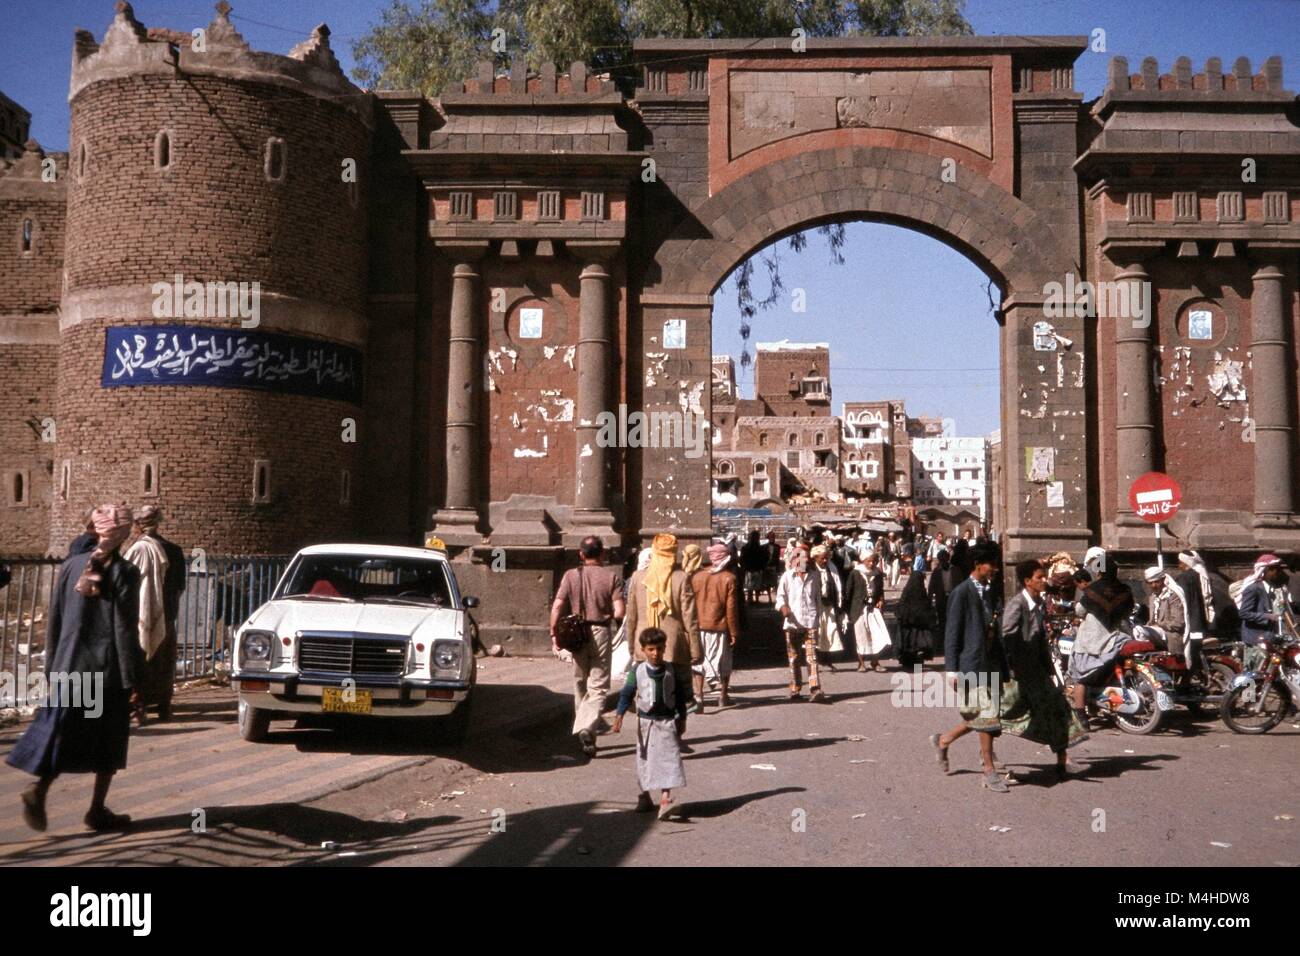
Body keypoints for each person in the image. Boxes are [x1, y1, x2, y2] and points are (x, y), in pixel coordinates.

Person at [7, 504, 143, 832]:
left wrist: (55, 665)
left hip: (70, 666)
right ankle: (96, 810)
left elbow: (54, 618)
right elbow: (123, 630)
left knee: (67, 731)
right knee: (108, 740)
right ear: (123, 534)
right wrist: (132, 681)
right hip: (105, 671)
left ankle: (40, 787)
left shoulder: (70, 566)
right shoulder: (123, 572)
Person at [998, 560, 1088, 781]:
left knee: (1058, 708)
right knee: (997, 714)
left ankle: (1062, 759)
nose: (1044, 580)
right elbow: (1007, 635)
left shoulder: (1038, 603)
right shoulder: (1017, 604)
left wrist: (1048, 669)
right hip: (1019, 672)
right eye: (1039, 577)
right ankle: (949, 740)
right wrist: (1014, 665)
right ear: (1027, 581)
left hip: (1038, 671)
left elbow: (1039, 640)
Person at [929, 544, 1007, 793]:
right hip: (970, 663)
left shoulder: (992, 590)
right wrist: (951, 669)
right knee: (985, 715)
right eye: (991, 564)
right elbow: (951, 633)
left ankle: (944, 740)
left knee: (986, 714)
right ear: (978, 565)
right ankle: (988, 770)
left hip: (991, 661)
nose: (995, 569)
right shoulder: (961, 593)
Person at [549, 536, 625, 756]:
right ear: (602, 554)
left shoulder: (570, 575)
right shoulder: (611, 577)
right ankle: (587, 727)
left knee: (580, 681)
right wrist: (609, 614)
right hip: (600, 631)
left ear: (581, 554)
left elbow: (557, 606)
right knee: (599, 685)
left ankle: (586, 734)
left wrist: (554, 634)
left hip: (576, 633)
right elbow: (620, 612)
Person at [624, 534, 702, 733]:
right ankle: (677, 730)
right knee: (677, 693)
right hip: (673, 647)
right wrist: (695, 649)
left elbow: (631, 616)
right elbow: (690, 618)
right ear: (674, 553)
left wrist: (632, 645)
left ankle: (649, 732)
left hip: (645, 645)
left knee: (645, 692)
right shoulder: (682, 577)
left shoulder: (638, 577)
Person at [613, 628, 689, 820]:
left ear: (664, 649)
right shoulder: (637, 671)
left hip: (667, 721)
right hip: (646, 723)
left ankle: (665, 799)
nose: (656, 654)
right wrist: (619, 715)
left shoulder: (671, 670)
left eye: (660, 649)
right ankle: (645, 796)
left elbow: (680, 697)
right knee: (644, 761)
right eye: (651, 649)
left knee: (669, 759)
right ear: (644, 650)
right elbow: (627, 693)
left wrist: (682, 718)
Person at [124, 505, 174, 720]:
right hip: (167, 613)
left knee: (140, 660)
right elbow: (179, 586)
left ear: (138, 525)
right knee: (163, 663)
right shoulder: (173, 550)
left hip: (139, 613)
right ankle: (163, 705)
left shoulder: (136, 549)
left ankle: (138, 702)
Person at [775, 547, 828, 702]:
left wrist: (818, 619)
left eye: (804, 559)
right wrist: (783, 607)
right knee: (794, 658)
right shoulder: (787, 577)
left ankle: (815, 688)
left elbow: (817, 598)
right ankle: (795, 688)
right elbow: (780, 597)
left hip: (810, 622)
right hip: (792, 623)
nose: (801, 562)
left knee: (812, 657)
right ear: (793, 561)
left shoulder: (815, 576)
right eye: (798, 559)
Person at [691, 542, 739, 708]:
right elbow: (730, 608)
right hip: (719, 627)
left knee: (698, 662)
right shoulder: (729, 578)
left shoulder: (697, 577)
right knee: (724, 663)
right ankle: (723, 695)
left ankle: (699, 696)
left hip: (699, 627)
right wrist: (734, 631)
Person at [1236, 554, 1299, 670]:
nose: (1280, 573)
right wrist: (1268, 616)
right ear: (1268, 570)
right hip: (1255, 639)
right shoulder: (1253, 589)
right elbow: (1244, 613)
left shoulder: (1273, 589)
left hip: (1270, 638)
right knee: (1257, 673)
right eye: (1277, 570)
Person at [845, 551, 888, 672]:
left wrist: (880, 599)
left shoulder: (878, 573)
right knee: (861, 635)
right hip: (858, 608)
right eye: (869, 561)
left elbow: (880, 589)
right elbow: (848, 592)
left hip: (873, 608)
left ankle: (875, 662)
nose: (871, 563)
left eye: (874, 561)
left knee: (876, 634)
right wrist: (847, 611)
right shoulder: (855, 573)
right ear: (863, 561)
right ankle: (861, 663)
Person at [810, 544, 844, 671]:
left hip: (829, 605)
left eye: (826, 558)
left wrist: (839, 604)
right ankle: (815, 661)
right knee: (816, 633)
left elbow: (838, 585)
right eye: (822, 558)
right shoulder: (811, 569)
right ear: (815, 558)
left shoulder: (831, 567)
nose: (824, 561)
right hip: (814, 607)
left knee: (830, 632)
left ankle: (828, 660)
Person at [895, 565, 935, 669]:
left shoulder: (907, 591)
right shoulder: (921, 592)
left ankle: (908, 661)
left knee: (908, 643)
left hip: (908, 625)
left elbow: (901, 607)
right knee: (919, 643)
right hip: (919, 625)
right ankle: (917, 662)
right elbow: (927, 608)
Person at [1143, 565, 1185, 653]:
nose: (1153, 585)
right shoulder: (1152, 597)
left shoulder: (1173, 596)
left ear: (1163, 579)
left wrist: (1159, 625)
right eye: (1150, 583)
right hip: (1156, 634)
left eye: (1156, 582)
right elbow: (1152, 620)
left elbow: (1178, 623)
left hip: (1170, 634)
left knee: (1141, 632)